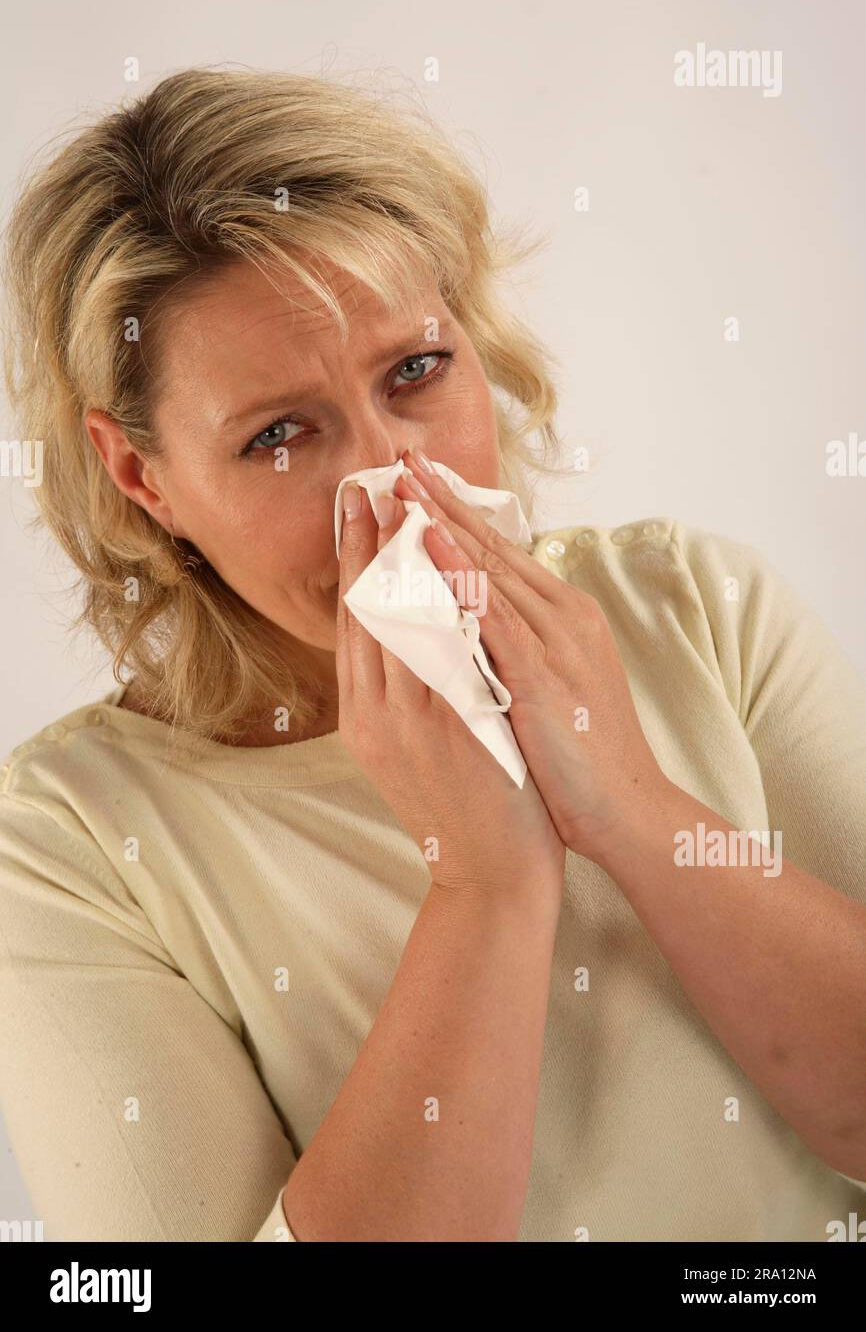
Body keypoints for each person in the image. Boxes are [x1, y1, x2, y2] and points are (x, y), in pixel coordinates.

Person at [0, 66, 864, 1243]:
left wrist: (629, 803)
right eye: (278, 435)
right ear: (142, 478)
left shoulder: (698, 610)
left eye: (414, 371)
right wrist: (486, 885)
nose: (398, 482)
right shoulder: (68, 847)